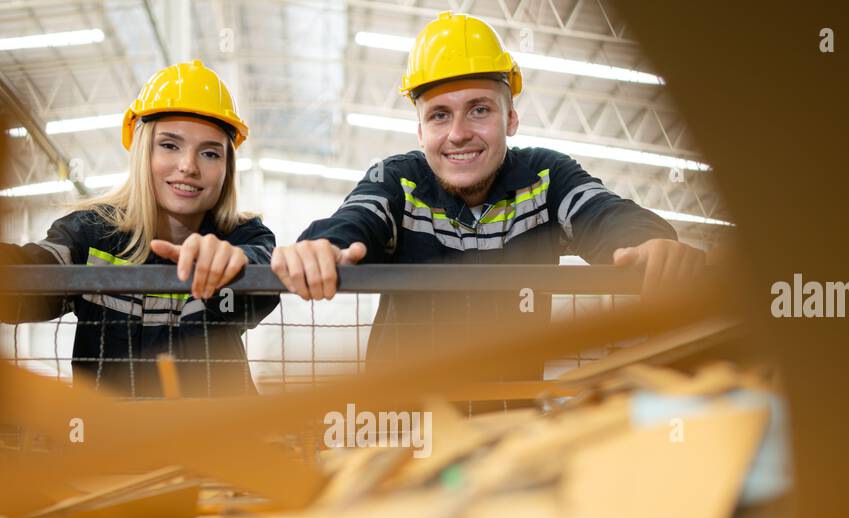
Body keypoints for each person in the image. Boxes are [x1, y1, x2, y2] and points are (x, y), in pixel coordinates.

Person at [270, 11, 706, 377]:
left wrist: (649, 241)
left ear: (510, 118)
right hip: (400, 425)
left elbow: (603, 211)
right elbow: (355, 220)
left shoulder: (547, 176)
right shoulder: (397, 180)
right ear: (421, 131)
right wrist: (322, 248)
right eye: (440, 115)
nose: (459, 134)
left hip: (509, 422)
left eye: (479, 110)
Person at [3, 60, 278, 397]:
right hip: (115, 444)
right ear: (140, 150)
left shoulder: (244, 236)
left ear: (226, 168)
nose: (188, 166)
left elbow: (262, 283)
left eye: (209, 153)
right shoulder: (90, 234)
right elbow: (23, 281)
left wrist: (229, 263)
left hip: (217, 442)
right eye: (169, 145)